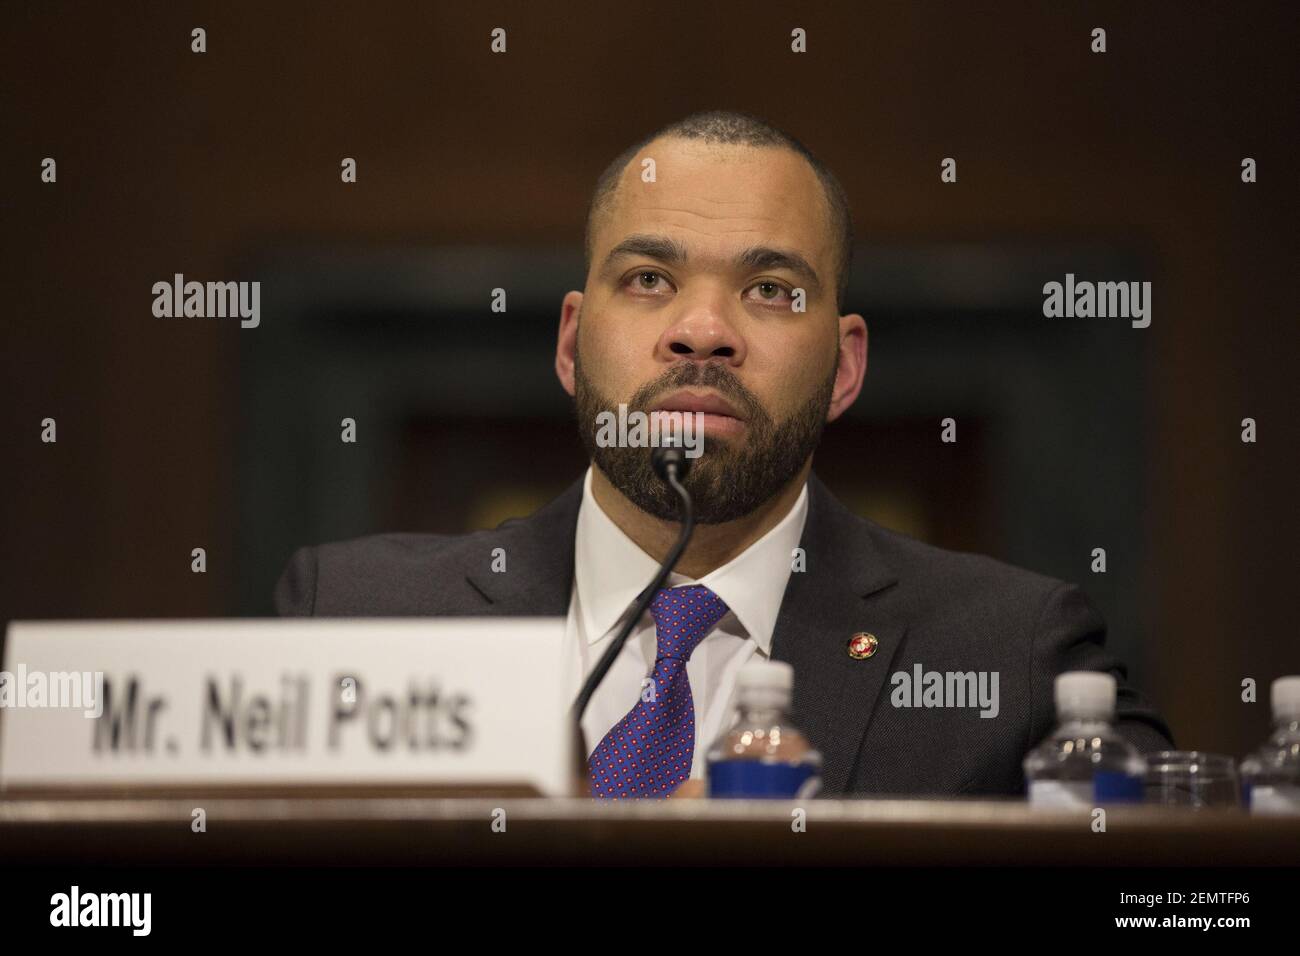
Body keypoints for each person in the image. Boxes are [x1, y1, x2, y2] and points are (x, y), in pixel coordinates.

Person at [275, 109, 1174, 798]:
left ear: (845, 367)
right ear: (570, 344)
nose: (702, 332)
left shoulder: (1012, 656)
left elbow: (1195, 907)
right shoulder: (353, 623)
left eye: (772, 289)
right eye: (650, 280)